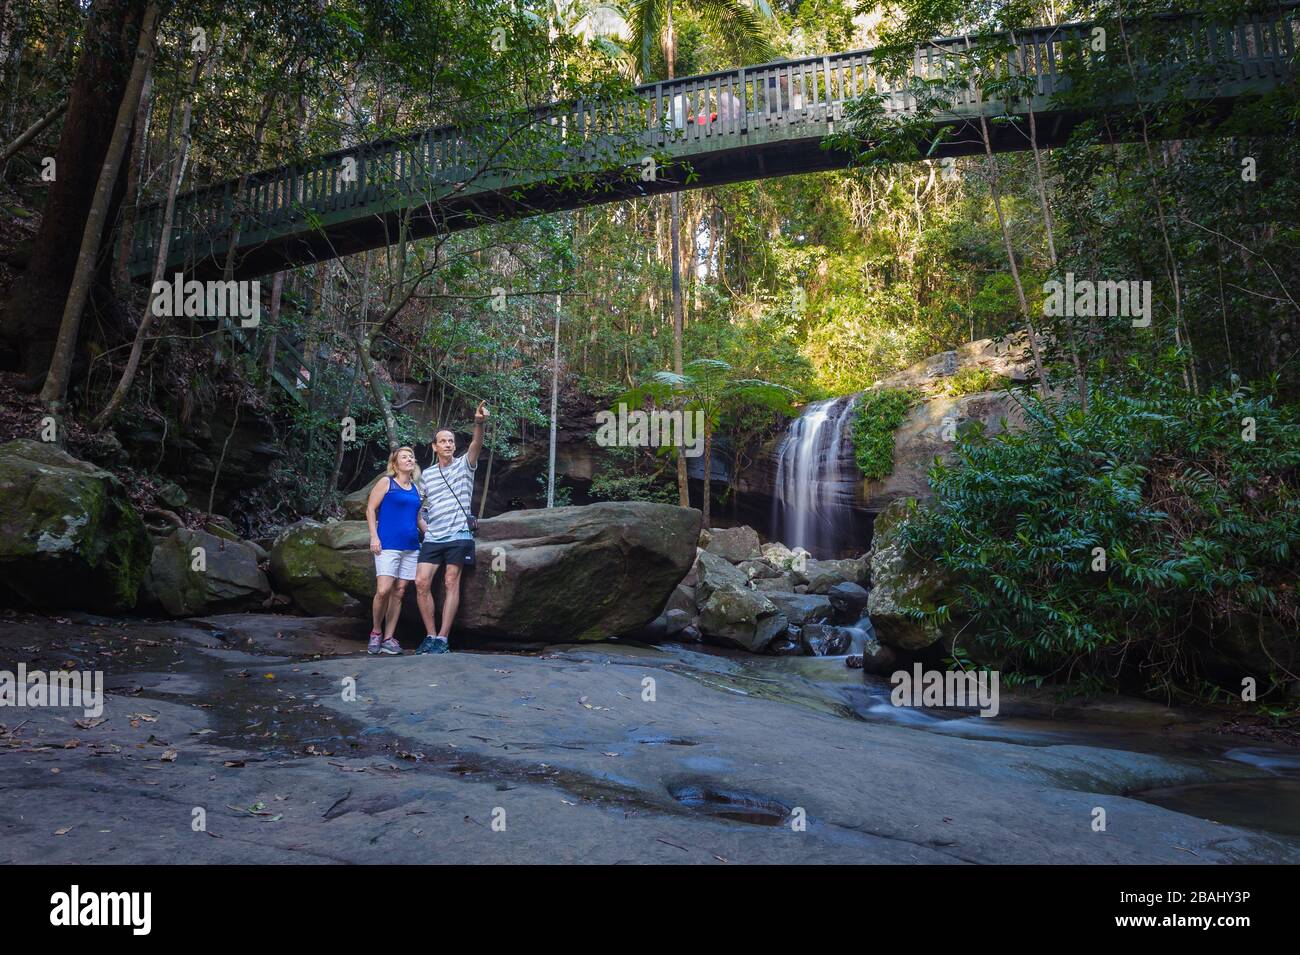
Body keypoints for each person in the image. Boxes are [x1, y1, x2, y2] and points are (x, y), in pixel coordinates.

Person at [414, 401, 488, 654]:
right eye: (443, 441)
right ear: (435, 447)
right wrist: (424, 527)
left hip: (458, 534)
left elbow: (476, 445)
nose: (448, 444)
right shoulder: (427, 474)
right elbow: (421, 506)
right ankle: (430, 635)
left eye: (451, 441)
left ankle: (443, 638)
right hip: (434, 536)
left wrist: (479, 423)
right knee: (421, 582)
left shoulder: (465, 465)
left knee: (450, 581)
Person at [365, 446, 424, 655]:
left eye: (411, 456)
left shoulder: (416, 489)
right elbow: (371, 508)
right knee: (383, 590)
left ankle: (389, 638)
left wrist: (434, 535)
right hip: (387, 544)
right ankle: (376, 632)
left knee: (399, 592)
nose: (409, 459)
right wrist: (374, 536)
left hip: (411, 547)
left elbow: (418, 519)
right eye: (404, 457)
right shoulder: (386, 482)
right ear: (395, 463)